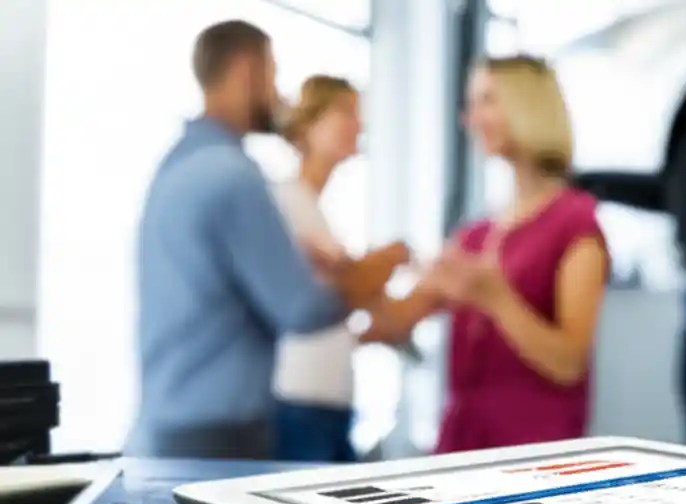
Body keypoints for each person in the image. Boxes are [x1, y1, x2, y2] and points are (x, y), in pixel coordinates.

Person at [131, 20, 403, 460]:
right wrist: (376, 269)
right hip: (220, 433)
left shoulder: (177, 168)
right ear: (246, 71)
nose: (279, 95)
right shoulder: (235, 175)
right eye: (273, 74)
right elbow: (302, 308)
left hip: (171, 422)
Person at [363, 55, 610, 453]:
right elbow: (394, 322)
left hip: (534, 450)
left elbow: (569, 362)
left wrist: (496, 298)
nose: (471, 118)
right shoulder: (476, 235)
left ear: (527, 105)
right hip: (462, 448)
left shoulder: (576, 224)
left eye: (486, 100)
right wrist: (359, 278)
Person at [271, 75, 369, 462]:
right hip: (300, 403)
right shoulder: (285, 203)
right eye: (345, 112)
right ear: (307, 125)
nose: (358, 126)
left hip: (330, 404)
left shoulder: (316, 211)